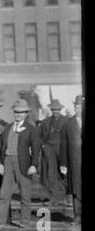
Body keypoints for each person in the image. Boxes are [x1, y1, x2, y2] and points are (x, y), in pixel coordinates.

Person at [0, 99, 39, 229]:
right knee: (4, 193)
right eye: (16, 112)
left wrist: (34, 165)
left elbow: (36, 148)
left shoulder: (31, 128)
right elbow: (1, 146)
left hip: (23, 163)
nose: (18, 114)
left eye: (21, 112)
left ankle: (24, 222)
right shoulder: (8, 127)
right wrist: (0, 163)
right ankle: (0, 220)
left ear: (25, 114)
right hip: (7, 161)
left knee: (25, 194)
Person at [37, 99, 68, 205]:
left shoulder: (67, 121)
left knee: (65, 172)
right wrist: (44, 145)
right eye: (54, 109)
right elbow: (39, 137)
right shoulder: (45, 122)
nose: (55, 111)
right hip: (49, 149)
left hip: (63, 149)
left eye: (57, 109)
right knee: (51, 173)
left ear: (60, 109)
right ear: (51, 109)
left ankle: (66, 198)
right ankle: (53, 198)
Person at [60, 95, 82, 223]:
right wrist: (63, 163)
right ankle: (77, 215)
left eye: (80, 107)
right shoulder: (68, 125)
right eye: (76, 107)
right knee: (76, 188)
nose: (78, 109)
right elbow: (63, 145)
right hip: (75, 162)